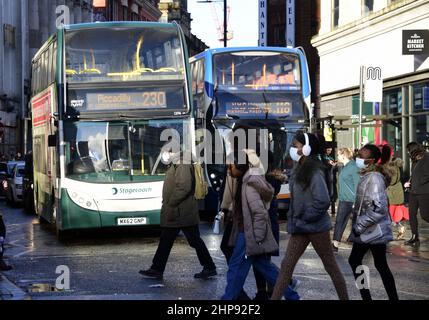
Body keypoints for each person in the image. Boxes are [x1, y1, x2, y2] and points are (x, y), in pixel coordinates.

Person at [272, 133, 349, 300]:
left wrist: (306, 216)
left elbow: (323, 200)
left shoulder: (314, 170)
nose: (293, 148)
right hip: (300, 226)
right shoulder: (298, 167)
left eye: (296, 145)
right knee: (286, 266)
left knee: (330, 266)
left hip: (315, 227)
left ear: (306, 148)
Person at [221, 149, 299, 300]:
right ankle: (293, 296)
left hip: (249, 234)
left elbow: (259, 213)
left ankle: (228, 299)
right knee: (264, 267)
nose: (229, 170)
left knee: (236, 269)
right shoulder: (246, 180)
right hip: (249, 232)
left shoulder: (249, 184)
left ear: (241, 166)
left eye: (231, 166)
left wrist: (256, 237)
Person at [139, 152, 217, 280]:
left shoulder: (182, 163)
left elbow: (184, 187)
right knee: (167, 239)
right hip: (179, 211)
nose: (164, 154)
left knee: (193, 240)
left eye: (167, 151)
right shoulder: (177, 162)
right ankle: (157, 268)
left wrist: (171, 202)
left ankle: (209, 267)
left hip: (181, 211)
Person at [348, 144, 398, 300]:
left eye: (361, 156)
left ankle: (367, 297)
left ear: (371, 160)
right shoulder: (369, 175)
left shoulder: (374, 178)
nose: (358, 158)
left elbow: (379, 208)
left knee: (356, 260)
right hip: (371, 229)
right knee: (380, 264)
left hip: (370, 229)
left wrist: (359, 226)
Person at [332, 148, 360, 252]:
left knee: (356, 222)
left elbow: (357, 184)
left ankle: (363, 243)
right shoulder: (345, 166)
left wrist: (356, 201)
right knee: (340, 221)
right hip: (344, 199)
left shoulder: (353, 167)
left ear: (344, 155)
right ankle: (335, 243)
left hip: (351, 200)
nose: (337, 157)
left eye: (338, 154)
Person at [382, 145, 409, 240]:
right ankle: (399, 227)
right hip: (396, 192)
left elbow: (392, 180)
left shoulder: (390, 165)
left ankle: (387, 233)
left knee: (389, 214)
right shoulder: (394, 164)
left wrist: (384, 182)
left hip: (392, 193)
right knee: (393, 214)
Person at [404, 142, 429, 246]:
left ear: (413, 150)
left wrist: (416, 182)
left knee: (425, 215)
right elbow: (414, 174)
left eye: (408, 150)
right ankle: (415, 237)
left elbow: (427, 175)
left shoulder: (427, 158)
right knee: (412, 214)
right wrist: (409, 183)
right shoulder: (414, 160)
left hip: (424, 191)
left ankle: (415, 237)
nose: (407, 152)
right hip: (413, 191)